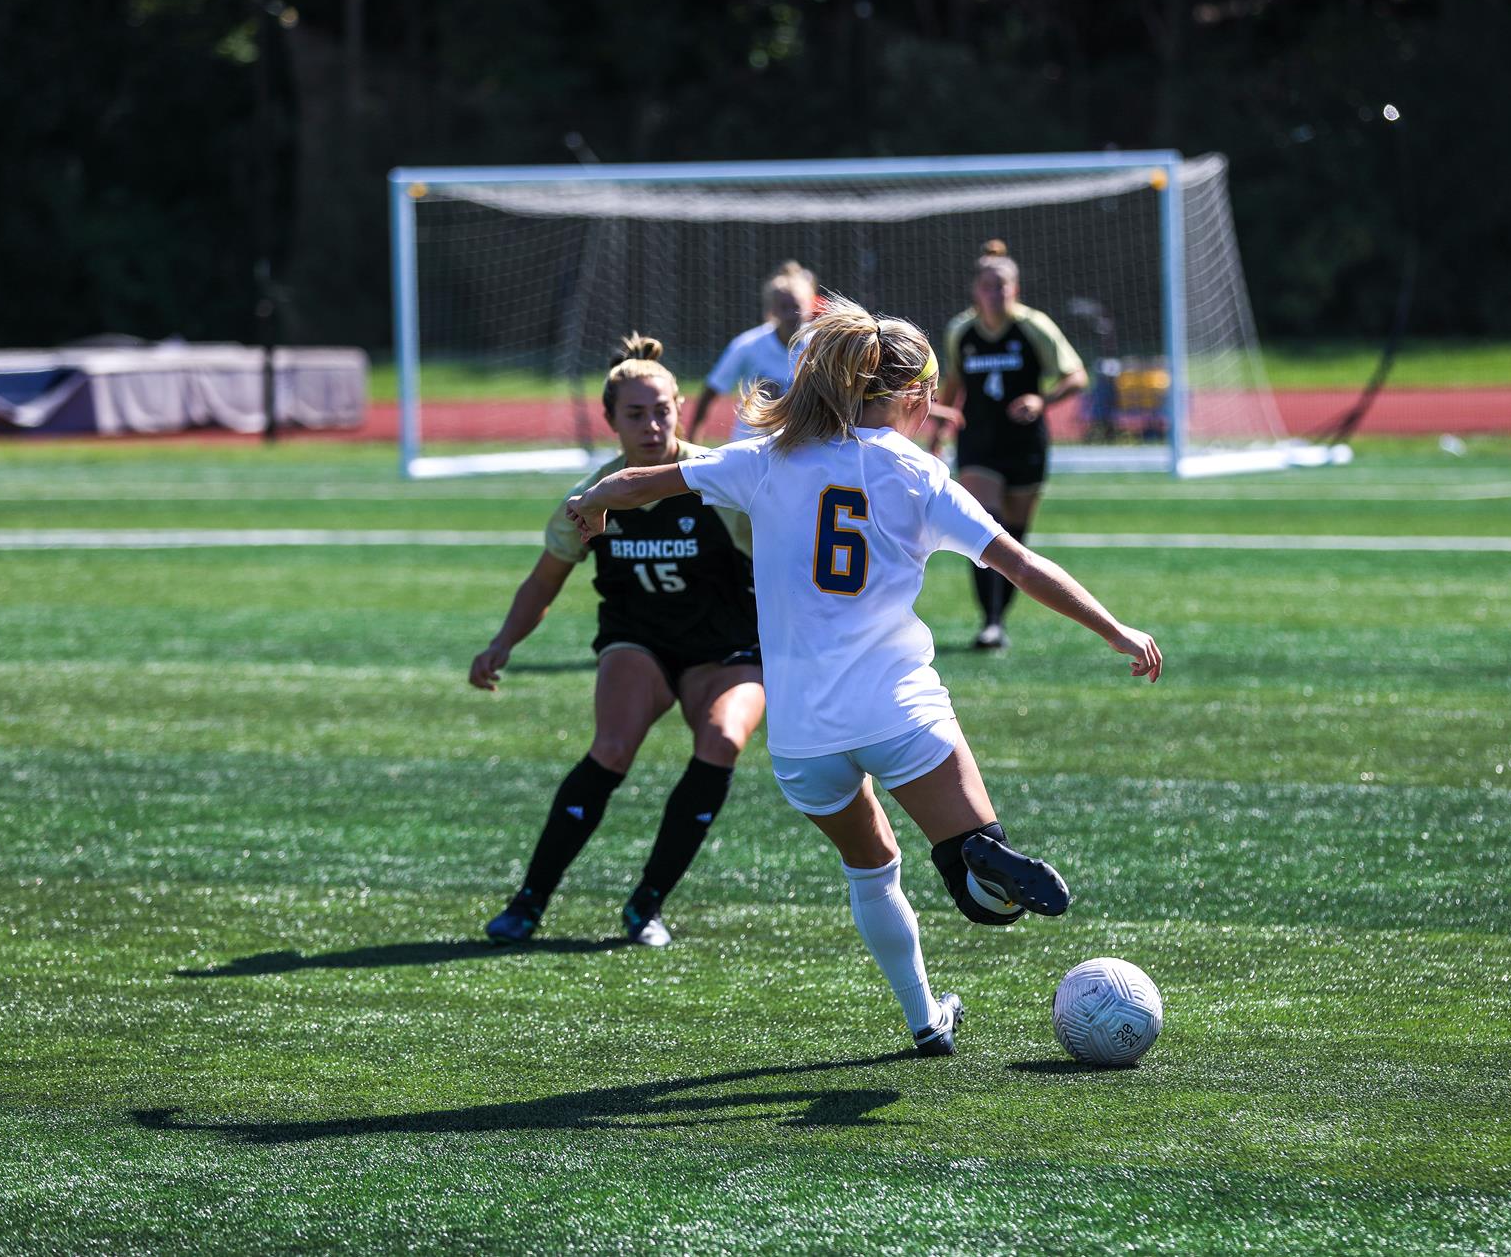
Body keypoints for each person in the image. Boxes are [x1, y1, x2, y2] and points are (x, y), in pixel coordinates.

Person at [563, 298, 1161, 1056]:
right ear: (910, 395)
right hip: (898, 710)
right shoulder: (918, 473)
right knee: (984, 897)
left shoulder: (766, 459)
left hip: (804, 735)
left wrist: (592, 501)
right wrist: (1115, 629)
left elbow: (642, 481)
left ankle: (925, 1019)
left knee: (872, 870)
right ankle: (979, 853)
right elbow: (1020, 564)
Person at [470, 334, 765, 948]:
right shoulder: (592, 496)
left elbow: (782, 561)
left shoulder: (720, 482)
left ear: (680, 408)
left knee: (721, 740)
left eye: (661, 410)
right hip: (640, 643)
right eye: (635, 414)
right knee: (611, 748)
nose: (652, 425)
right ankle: (529, 901)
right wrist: (502, 643)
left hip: (726, 646)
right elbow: (544, 579)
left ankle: (646, 903)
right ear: (610, 421)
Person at [933, 239, 1091, 651]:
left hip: (1025, 445)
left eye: (1002, 285)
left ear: (1015, 288)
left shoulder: (1034, 326)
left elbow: (1076, 375)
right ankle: (989, 622)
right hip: (977, 445)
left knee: (1014, 536)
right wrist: (937, 434)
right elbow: (953, 385)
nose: (995, 293)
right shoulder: (961, 330)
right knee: (985, 524)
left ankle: (998, 618)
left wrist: (1042, 400)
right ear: (975, 290)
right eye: (987, 285)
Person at [687, 261, 817, 443]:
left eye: (796, 307)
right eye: (783, 307)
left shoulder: (819, 345)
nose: (790, 314)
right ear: (772, 310)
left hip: (800, 446)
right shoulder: (748, 345)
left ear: (809, 307)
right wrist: (693, 438)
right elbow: (712, 389)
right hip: (751, 445)